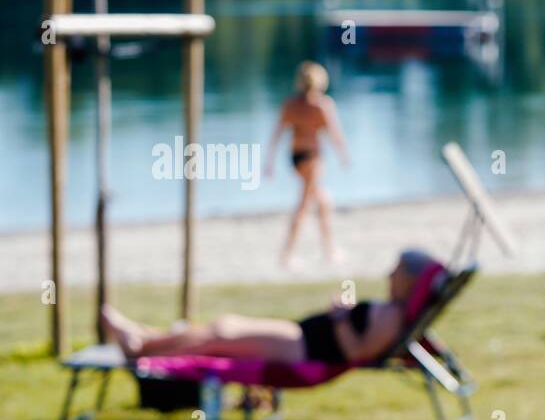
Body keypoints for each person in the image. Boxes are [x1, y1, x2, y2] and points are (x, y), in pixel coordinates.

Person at [100, 250, 439, 366]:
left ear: (409, 279)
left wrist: (339, 319)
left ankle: (140, 348)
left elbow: (355, 353)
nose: (388, 274)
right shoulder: (394, 312)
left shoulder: (393, 319)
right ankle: (145, 337)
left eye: (395, 270)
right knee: (222, 327)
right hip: (303, 338)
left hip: (305, 349)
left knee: (219, 337)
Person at [265, 61, 351, 268]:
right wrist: (344, 156)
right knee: (304, 206)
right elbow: (335, 134)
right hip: (312, 158)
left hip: (295, 158)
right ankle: (287, 255)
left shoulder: (290, 104)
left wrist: (269, 162)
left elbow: (277, 133)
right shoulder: (322, 105)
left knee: (323, 203)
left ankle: (330, 250)